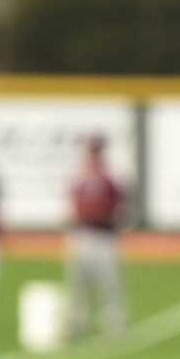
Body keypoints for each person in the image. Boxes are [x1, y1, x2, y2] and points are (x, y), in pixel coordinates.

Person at [64, 134, 127, 338]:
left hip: (104, 236)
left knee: (110, 283)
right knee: (78, 284)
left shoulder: (110, 180)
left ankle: (114, 324)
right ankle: (77, 324)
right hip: (82, 235)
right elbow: (73, 205)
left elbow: (120, 205)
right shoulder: (80, 179)